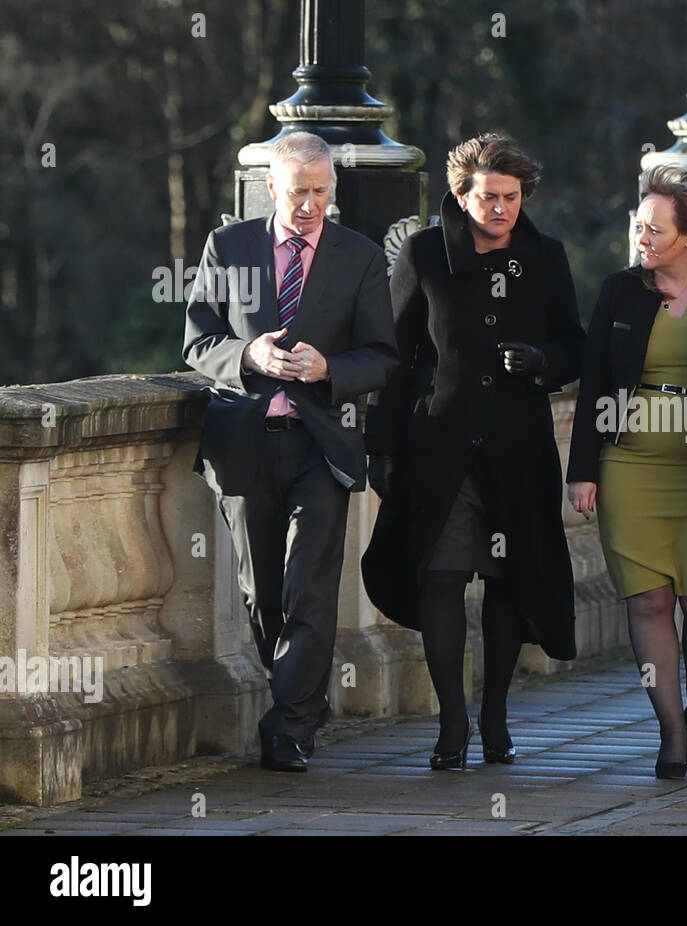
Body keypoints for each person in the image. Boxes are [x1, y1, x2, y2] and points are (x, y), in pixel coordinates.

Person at [362, 134, 584, 770]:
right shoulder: (424, 253)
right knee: (442, 575)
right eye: (488, 197)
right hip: (439, 446)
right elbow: (395, 357)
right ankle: (452, 722)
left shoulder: (546, 257)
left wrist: (543, 361)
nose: (501, 209)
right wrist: (382, 446)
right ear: (460, 196)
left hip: (518, 451)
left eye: (512, 197)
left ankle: (495, 715)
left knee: (508, 582)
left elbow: (575, 344)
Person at [183, 131, 398, 773]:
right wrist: (249, 355)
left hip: (322, 447)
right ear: (271, 187)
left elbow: (383, 356)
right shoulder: (229, 245)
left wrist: (328, 365)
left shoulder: (358, 255)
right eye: (298, 191)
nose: (309, 204)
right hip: (245, 443)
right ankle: (301, 697)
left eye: (320, 191)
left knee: (309, 585)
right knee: (263, 591)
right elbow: (197, 345)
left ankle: (291, 726)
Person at [567, 166, 687, 779]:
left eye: (654, 229)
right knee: (647, 601)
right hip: (631, 465)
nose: (642, 238)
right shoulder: (622, 290)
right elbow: (594, 381)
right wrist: (582, 470)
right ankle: (671, 730)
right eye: (637, 226)